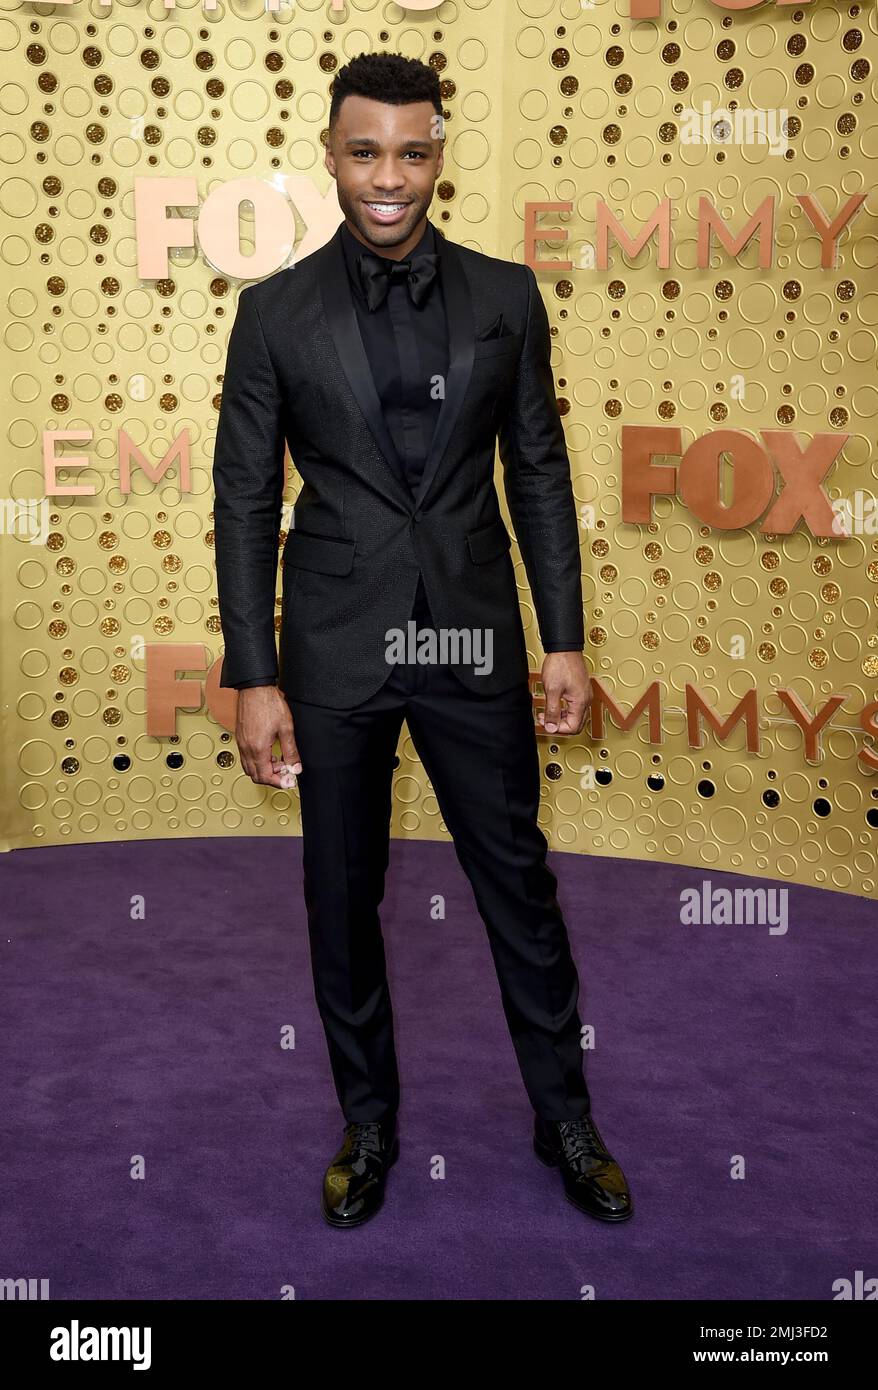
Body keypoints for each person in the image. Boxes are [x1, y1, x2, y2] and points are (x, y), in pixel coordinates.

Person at [212, 51, 632, 1229]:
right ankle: (370, 1122)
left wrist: (561, 640)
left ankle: (563, 1118)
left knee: (515, 886)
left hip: (470, 643)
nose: (386, 177)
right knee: (339, 898)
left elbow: (538, 474)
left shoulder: (506, 296)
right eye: (363, 152)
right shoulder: (272, 313)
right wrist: (255, 675)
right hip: (337, 650)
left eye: (410, 151)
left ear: (437, 154)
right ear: (331, 154)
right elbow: (243, 501)